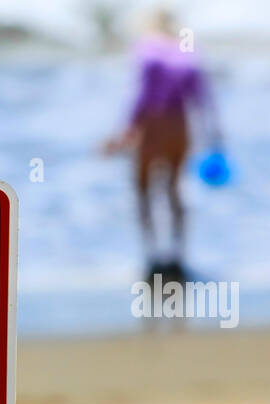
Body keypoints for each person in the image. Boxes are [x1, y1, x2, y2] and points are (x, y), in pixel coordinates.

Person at [104, 9, 221, 293]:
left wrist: (128, 130)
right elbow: (202, 98)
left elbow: (142, 94)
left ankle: (152, 258)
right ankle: (177, 258)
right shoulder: (187, 51)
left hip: (153, 123)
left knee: (143, 191)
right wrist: (215, 136)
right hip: (180, 124)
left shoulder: (147, 48)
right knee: (174, 190)